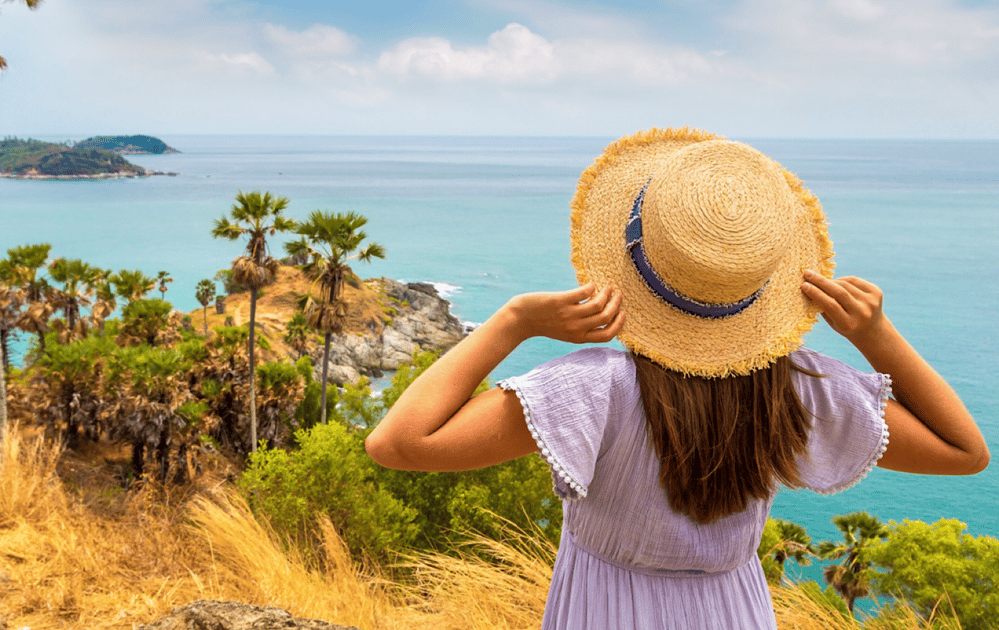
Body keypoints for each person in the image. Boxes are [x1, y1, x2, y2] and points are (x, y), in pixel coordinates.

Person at [364, 128, 989, 629]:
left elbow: (397, 444)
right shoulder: (798, 390)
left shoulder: (594, 388)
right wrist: (876, 336)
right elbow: (965, 453)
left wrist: (513, 321)